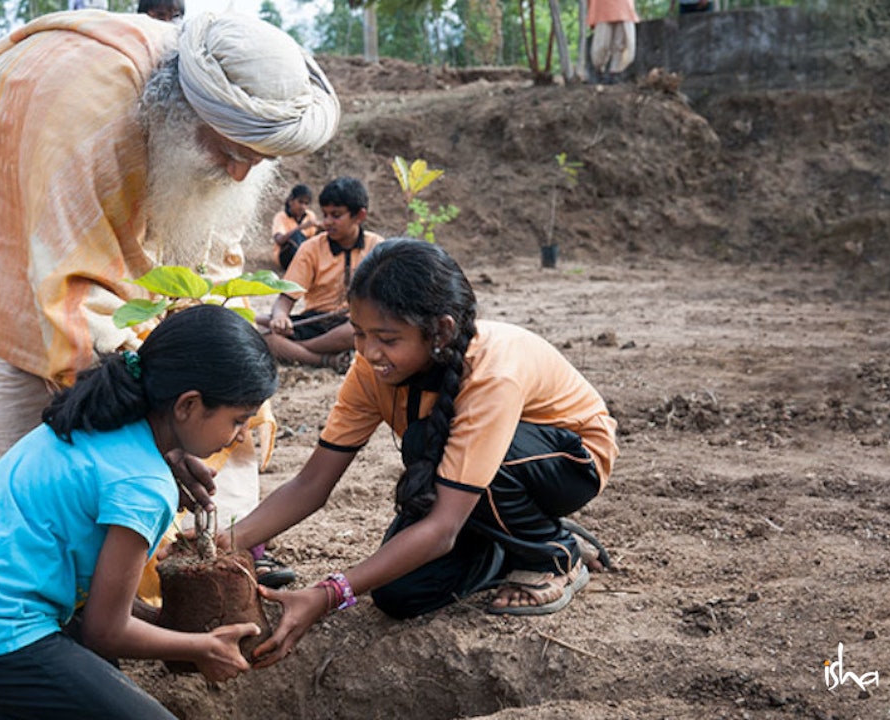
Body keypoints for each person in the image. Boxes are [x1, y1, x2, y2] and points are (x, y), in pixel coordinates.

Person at [0, 12, 337, 591]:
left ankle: (216, 545)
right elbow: (69, 300)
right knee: (45, 378)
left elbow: (205, 257)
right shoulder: (86, 125)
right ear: (178, 112)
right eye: (228, 150)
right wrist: (155, 438)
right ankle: (59, 587)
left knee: (202, 393)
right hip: (9, 165)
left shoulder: (211, 133)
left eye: (256, 157)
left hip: (99, 150)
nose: (240, 171)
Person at [0, 305, 279, 720]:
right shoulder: (146, 484)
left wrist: (171, 631)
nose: (238, 434)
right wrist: (200, 647)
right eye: (238, 420)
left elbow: (102, 613)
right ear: (187, 405)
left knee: (99, 681)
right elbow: (104, 630)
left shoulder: (104, 416)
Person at [226, 240, 619, 666]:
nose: (367, 351)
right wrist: (229, 540)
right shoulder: (371, 371)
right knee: (400, 593)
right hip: (473, 477)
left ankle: (552, 551)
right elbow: (311, 483)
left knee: (447, 452)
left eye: (387, 338)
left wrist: (328, 595)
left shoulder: (491, 374)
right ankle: (504, 543)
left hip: (566, 462)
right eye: (358, 333)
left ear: (442, 331)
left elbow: (442, 526)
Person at [259, 177, 383, 373]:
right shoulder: (311, 249)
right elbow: (285, 298)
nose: (327, 222)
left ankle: (299, 352)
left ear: (359, 216)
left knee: (357, 331)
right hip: (316, 320)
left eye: (336, 215)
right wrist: (281, 317)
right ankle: (326, 359)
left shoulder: (377, 247)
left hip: (355, 324)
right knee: (263, 333)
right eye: (325, 215)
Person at [587, 0, 639, 84]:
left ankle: (615, 73)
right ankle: (599, 73)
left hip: (624, 7)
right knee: (602, 44)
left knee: (621, 43)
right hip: (602, 7)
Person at [271, 183, 319, 271]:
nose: (303, 207)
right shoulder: (281, 216)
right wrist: (300, 228)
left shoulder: (310, 215)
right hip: (286, 256)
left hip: (304, 254)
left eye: (306, 203)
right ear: (290, 201)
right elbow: (279, 240)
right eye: (300, 202)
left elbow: (314, 239)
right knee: (296, 235)